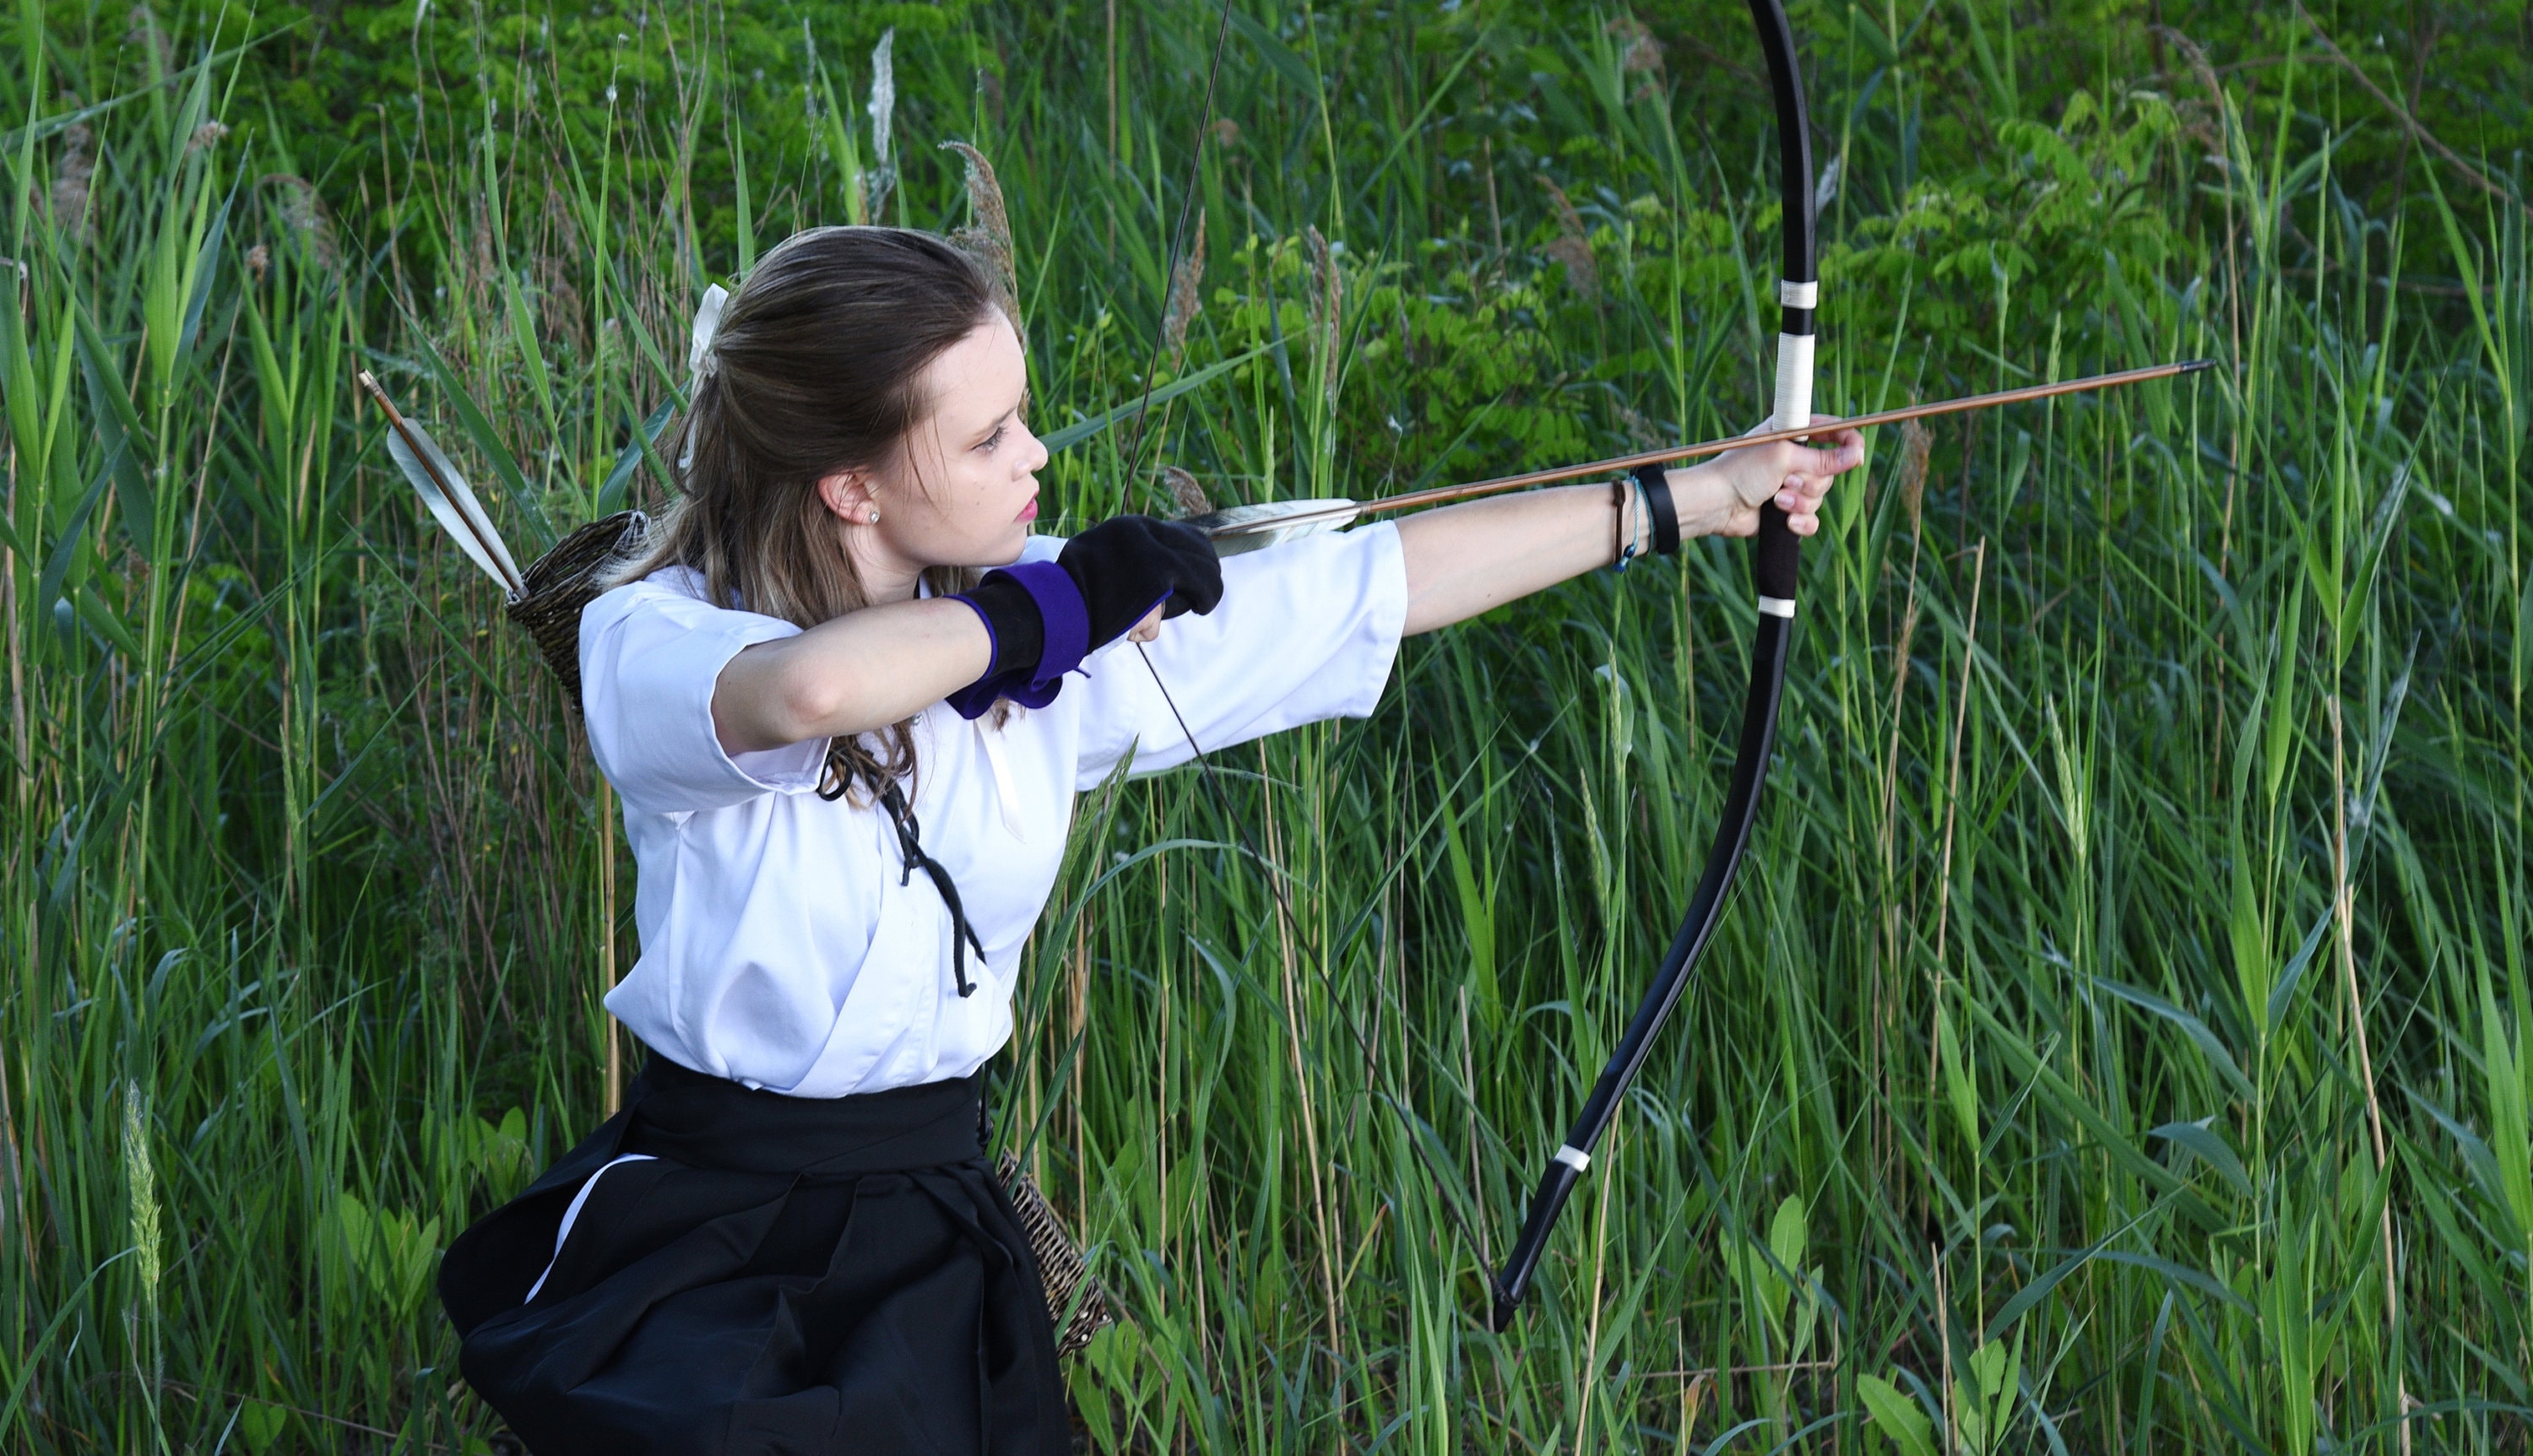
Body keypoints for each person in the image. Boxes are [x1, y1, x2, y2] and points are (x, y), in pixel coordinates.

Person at [437, 224, 1862, 1455]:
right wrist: (1054, 617)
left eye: (1024, 417)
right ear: (851, 484)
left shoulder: (1049, 616)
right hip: (712, 1236)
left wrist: (1686, 501)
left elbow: (1366, 589)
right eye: (988, 435)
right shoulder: (659, 631)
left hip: (926, 1228)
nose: (1036, 456)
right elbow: (805, 691)